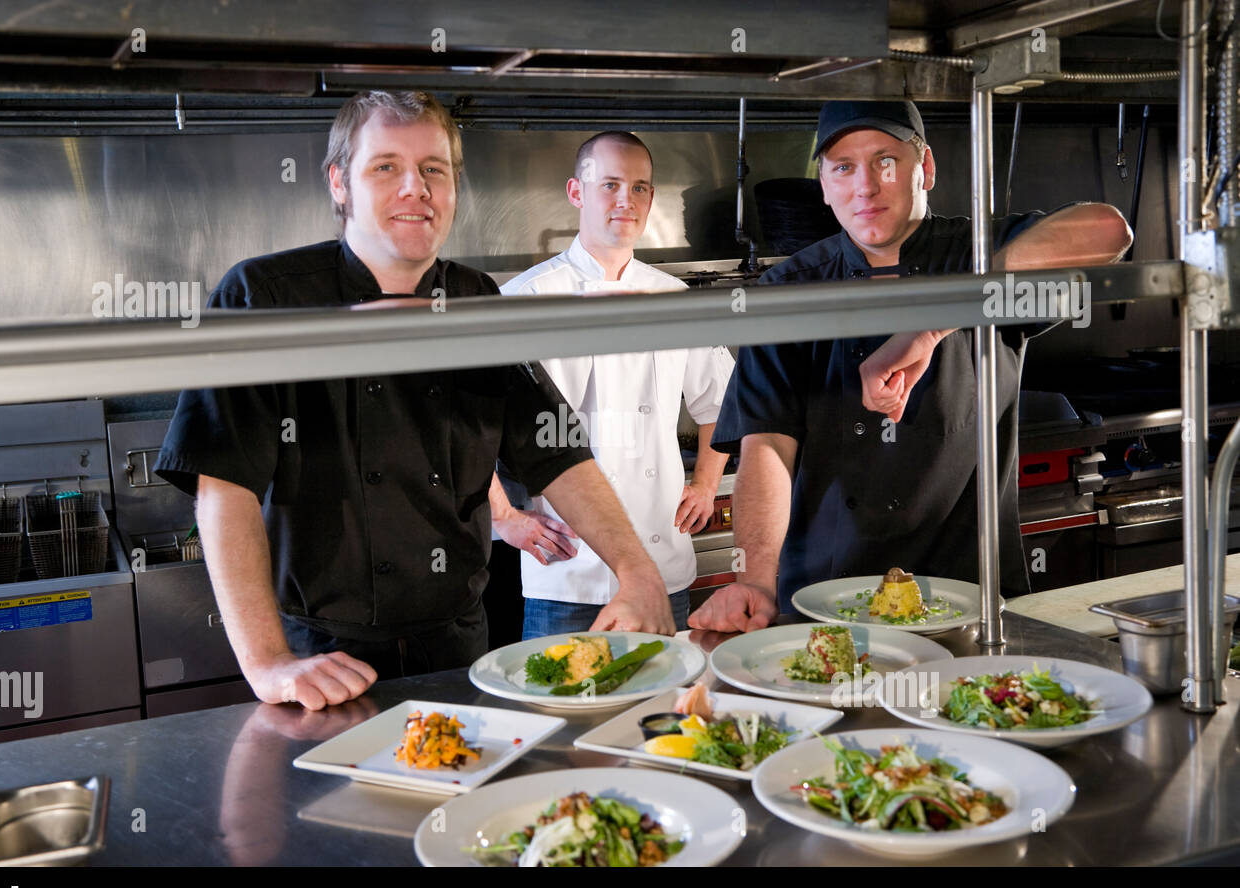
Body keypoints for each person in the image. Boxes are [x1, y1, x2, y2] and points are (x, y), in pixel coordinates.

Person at [155, 91, 675, 710]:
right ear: (338, 183)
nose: (415, 188)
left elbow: (556, 451)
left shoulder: (478, 302)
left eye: (434, 170)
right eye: (385, 167)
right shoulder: (265, 297)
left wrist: (637, 570)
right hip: (323, 655)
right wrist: (268, 662)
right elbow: (225, 485)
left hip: (459, 648)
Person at [690, 99, 1133, 633]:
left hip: (967, 600)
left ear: (925, 167)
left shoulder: (979, 252)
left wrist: (929, 326)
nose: (865, 187)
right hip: (826, 602)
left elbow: (1109, 232)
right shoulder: (789, 293)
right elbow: (768, 449)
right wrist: (756, 579)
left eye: (885, 161)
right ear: (825, 186)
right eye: (843, 168)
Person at [491, 131, 734, 637]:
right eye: (610, 185)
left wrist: (707, 484)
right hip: (566, 572)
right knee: (562, 708)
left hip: (662, 562)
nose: (627, 200)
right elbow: (466, 426)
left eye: (640, 187)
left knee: (664, 711)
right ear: (576, 193)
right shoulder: (524, 300)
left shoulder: (675, 298)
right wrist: (504, 517)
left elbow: (723, 404)